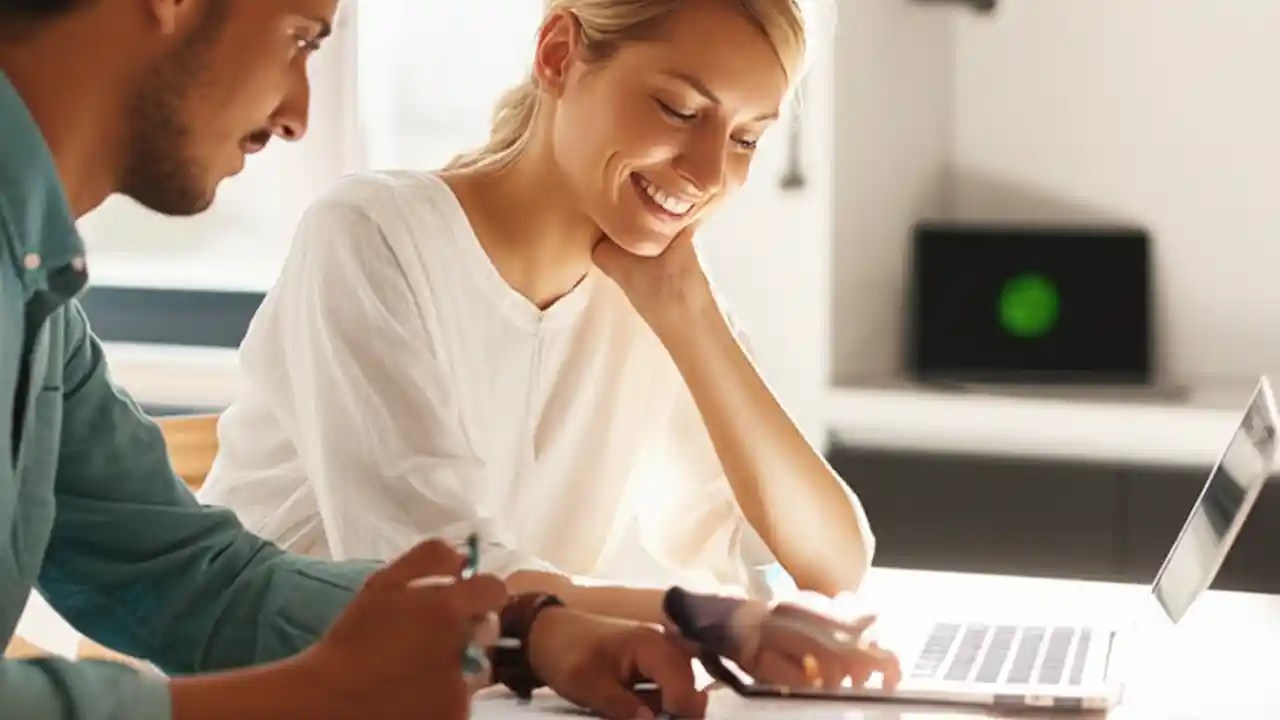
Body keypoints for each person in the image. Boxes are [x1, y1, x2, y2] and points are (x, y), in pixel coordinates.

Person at [0, 2, 715, 719]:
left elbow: (192, 578)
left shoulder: (40, 297)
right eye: (299, 37)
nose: (298, 115)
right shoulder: (379, 233)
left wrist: (530, 636)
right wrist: (306, 694)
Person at [201, 0, 899, 690]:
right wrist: (714, 622)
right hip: (268, 693)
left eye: (745, 138)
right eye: (680, 110)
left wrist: (692, 317)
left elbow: (831, 564)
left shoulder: (649, 291)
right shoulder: (372, 235)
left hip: (481, 696)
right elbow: (439, 576)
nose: (709, 171)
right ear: (559, 54)